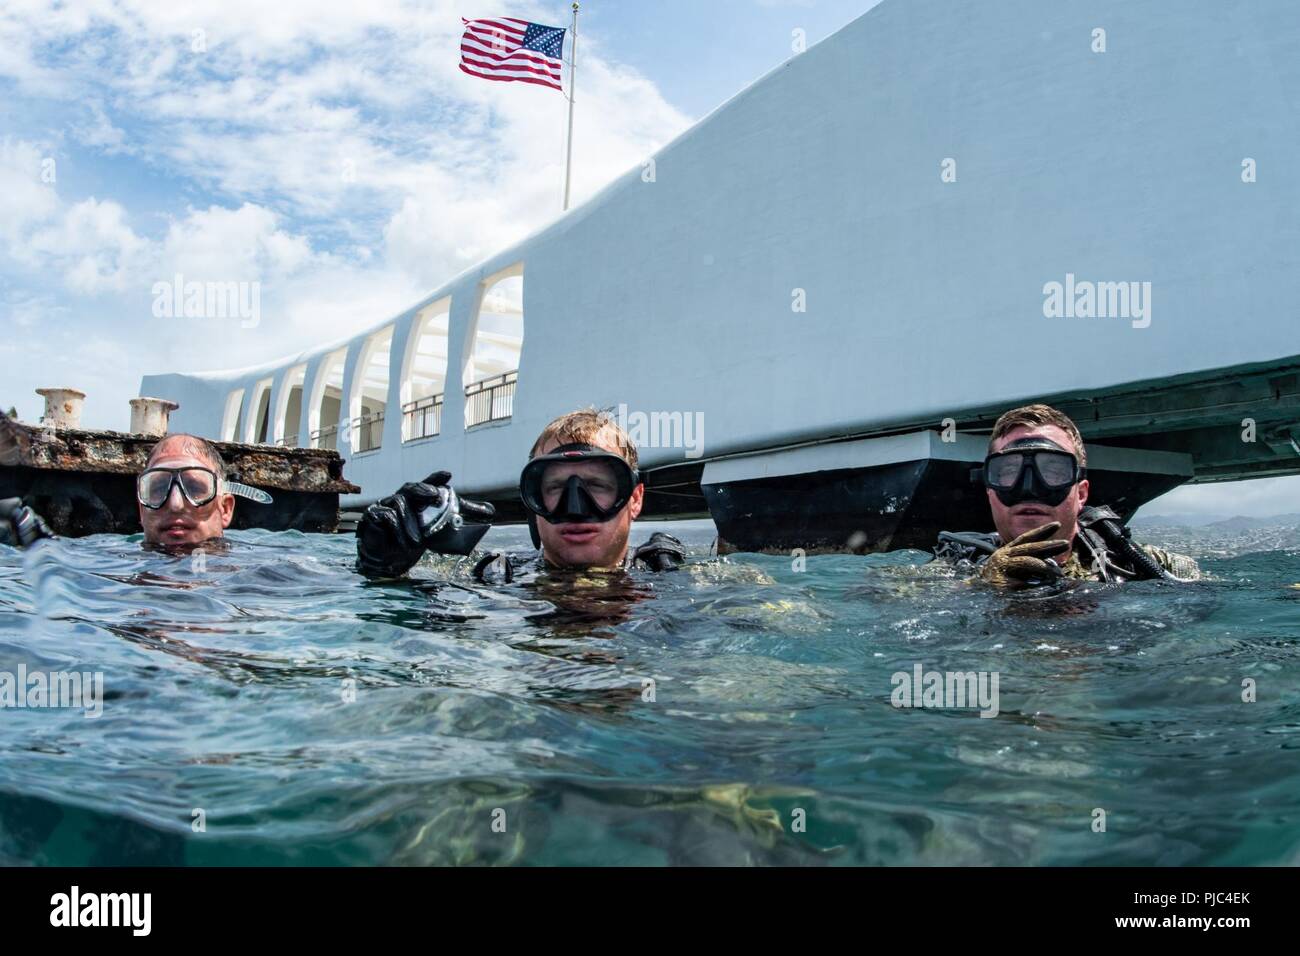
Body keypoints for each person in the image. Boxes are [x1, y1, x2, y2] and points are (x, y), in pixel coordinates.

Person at [355, 409, 685, 582]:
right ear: (532, 498)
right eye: (555, 488)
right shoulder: (493, 579)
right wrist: (382, 570)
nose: (574, 508)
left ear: (635, 498)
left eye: (597, 486)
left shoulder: (677, 578)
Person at [933, 404, 1200, 587]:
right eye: (1009, 472)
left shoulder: (1135, 562)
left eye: (1052, 471)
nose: (1029, 489)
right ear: (989, 490)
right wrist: (983, 583)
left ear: (1081, 493)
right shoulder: (954, 567)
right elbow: (901, 599)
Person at [1, 433, 267, 550]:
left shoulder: (261, 576)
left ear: (225, 508)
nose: (175, 504)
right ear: (141, 509)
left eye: (196, 488)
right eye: (157, 489)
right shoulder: (111, 564)